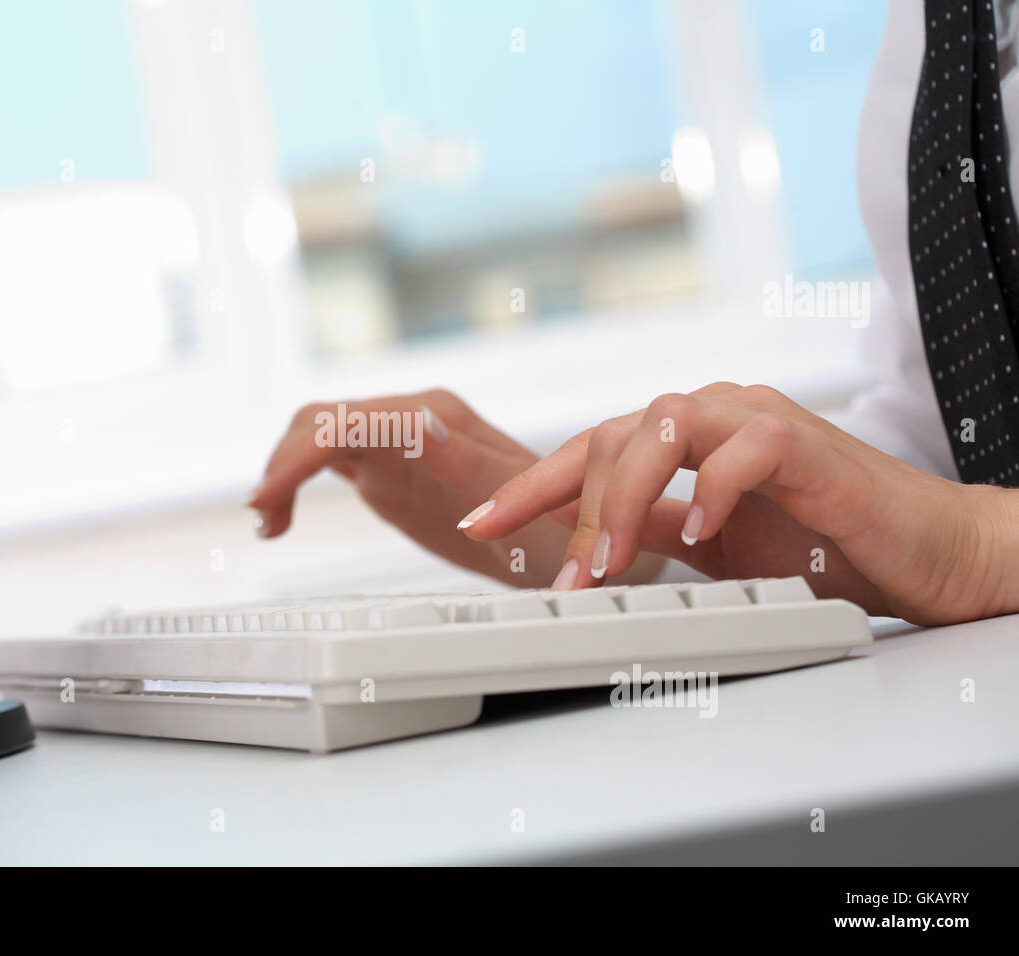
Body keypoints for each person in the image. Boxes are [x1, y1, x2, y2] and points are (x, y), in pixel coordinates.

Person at [249, 0, 1019, 628]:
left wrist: (980, 547)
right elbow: (939, 451)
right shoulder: (933, 25)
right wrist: (618, 530)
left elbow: (962, 527)